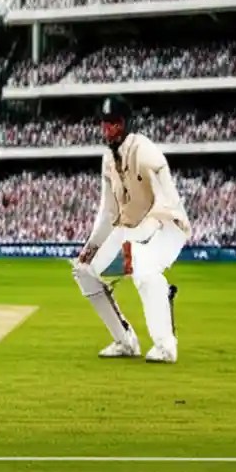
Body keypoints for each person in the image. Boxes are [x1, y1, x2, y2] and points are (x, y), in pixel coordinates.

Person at [70, 95, 188, 364]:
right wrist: (91, 247)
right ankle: (125, 340)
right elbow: (108, 211)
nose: (108, 129)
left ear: (125, 123)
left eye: (114, 123)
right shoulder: (108, 160)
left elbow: (166, 203)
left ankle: (166, 346)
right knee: (84, 270)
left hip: (169, 226)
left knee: (144, 270)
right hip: (131, 227)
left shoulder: (145, 151)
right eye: (105, 123)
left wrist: (137, 240)